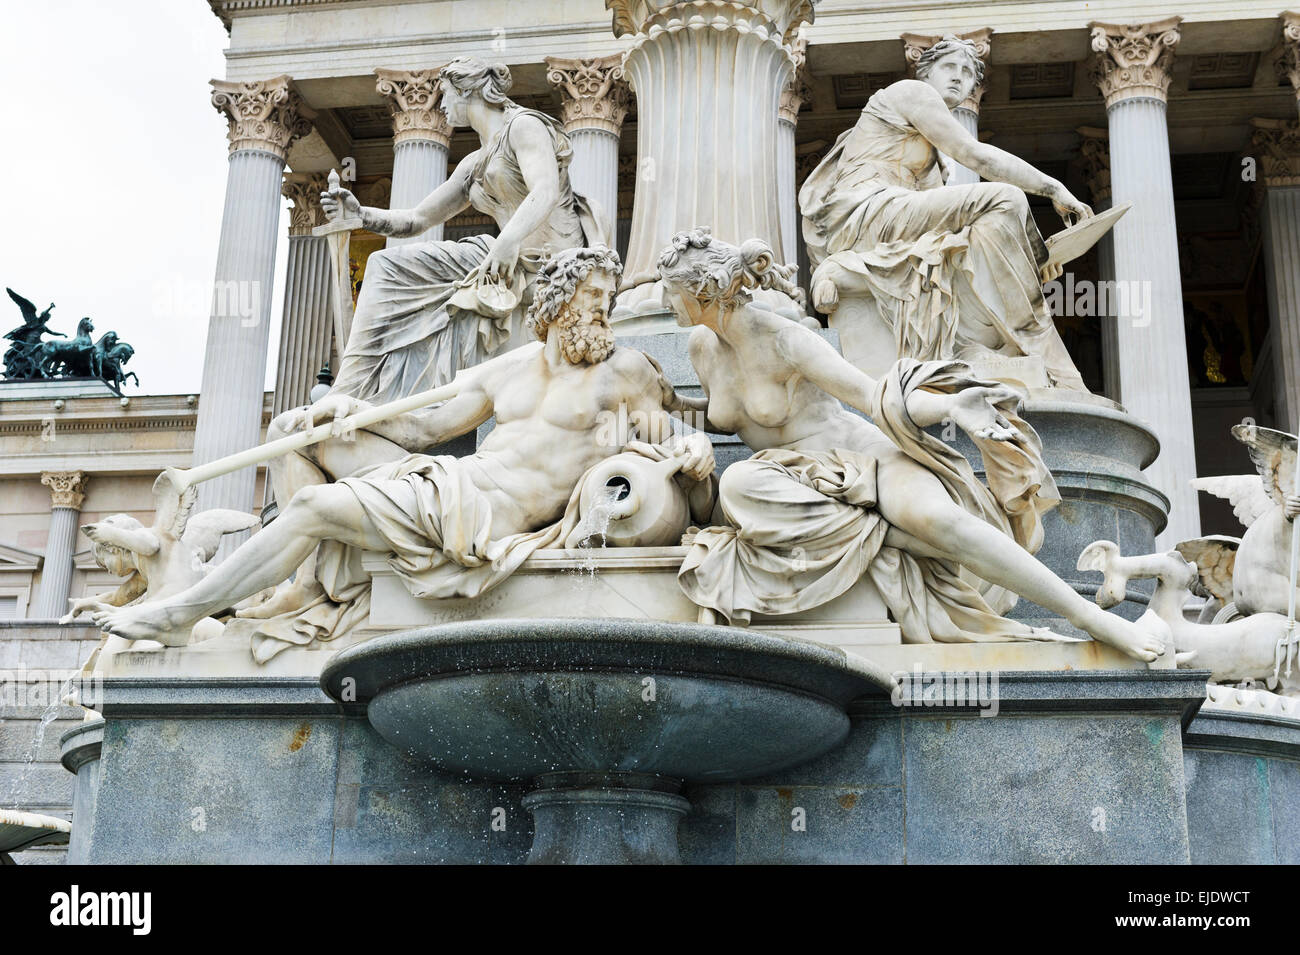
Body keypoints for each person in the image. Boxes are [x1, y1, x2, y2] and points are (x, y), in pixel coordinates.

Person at [93, 247, 713, 652]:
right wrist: (351, 412)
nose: (603, 314)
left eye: (607, 304)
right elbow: (422, 429)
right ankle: (308, 588)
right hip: (450, 479)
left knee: (311, 505)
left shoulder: (624, 371)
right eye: (593, 300)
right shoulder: (511, 368)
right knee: (299, 439)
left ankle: (179, 613)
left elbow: (664, 437)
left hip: (484, 518)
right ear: (554, 304)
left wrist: (693, 451)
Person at [657, 229, 1166, 662]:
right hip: (790, 477)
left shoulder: (785, 339)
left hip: (861, 459)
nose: (663, 302)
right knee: (741, 484)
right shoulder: (702, 346)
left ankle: (1098, 621)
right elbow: (726, 410)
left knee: (944, 523)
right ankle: (886, 536)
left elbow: (872, 396)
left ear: (702, 293)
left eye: (670, 292)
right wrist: (665, 410)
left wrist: (949, 409)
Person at [800, 35, 1093, 390]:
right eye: (949, 67)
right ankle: (1035, 342)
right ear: (926, 73)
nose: (959, 77)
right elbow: (976, 155)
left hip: (893, 216)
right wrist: (1052, 188)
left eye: (968, 72)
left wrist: (1030, 262)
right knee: (1005, 198)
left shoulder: (934, 162)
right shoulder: (911, 93)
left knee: (982, 230)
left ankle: (980, 347)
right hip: (866, 211)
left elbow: (957, 232)